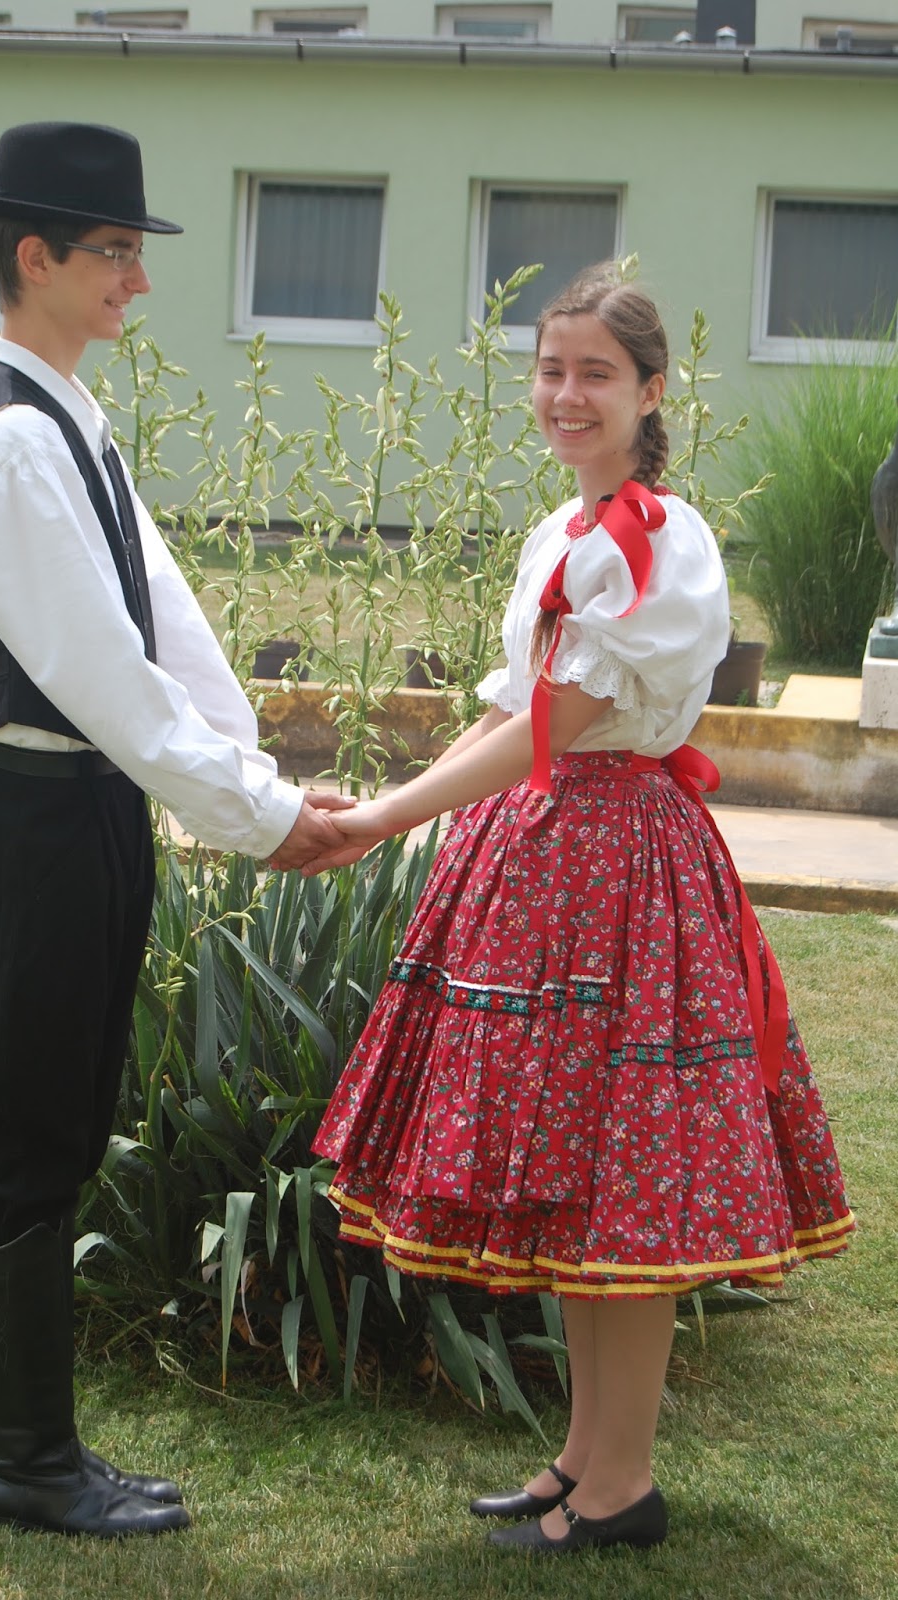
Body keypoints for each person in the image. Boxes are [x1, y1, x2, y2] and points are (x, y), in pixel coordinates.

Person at [302, 264, 855, 1556]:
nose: (566, 394)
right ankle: (583, 1459)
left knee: (628, 1182)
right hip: (543, 860)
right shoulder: (564, 531)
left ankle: (623, 1485)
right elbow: (514, 706)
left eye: (595, 374)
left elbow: (567, 719)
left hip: (625, 871)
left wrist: (385, 821)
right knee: (580, 1178)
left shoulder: (666, 540)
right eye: (551, 370)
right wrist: (408, 797)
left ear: (651, 392)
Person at [0, 121, 348, 1539]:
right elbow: (104, 681)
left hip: (88, 816)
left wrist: (262, 777)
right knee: (34, 1136)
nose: (135, 282)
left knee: (70, 1118)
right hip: (29, 826)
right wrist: (262, 818)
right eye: (113, 253)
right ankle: (26, 1463)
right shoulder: (9, 452)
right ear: (32, 256)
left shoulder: (75, 428)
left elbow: (168, 628)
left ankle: (38, 1454)